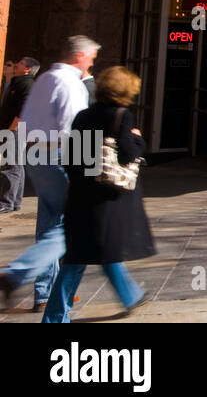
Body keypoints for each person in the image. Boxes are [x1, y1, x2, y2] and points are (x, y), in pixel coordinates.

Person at [41, 66, 154, 323]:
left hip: (81, 196)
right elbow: (128, 152)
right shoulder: (122, 116)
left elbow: (71, 157)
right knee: (102, 252)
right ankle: (128, 296)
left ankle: (55, 318)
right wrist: (138, 139)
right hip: (106, 199)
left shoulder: (82, 116)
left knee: (77, 258)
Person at [0, 36, 99, 311]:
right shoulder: (71, 83)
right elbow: (72, 128)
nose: (91, 62)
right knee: (72, 225)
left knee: (48, 224)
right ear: (79, 56)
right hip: (59, 155)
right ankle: (17, 273)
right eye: (90, 57)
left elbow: (27, 120)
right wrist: (84, 169)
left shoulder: (44, 79)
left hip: (36, 154)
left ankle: (43, 293)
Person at [0, 56, 39, 213]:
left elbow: (22, 111)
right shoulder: (19, 82)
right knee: (17, 164)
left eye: (21, 63)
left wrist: (11, 129)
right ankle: (15, 202)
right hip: (13, 129)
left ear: (27, 69)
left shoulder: (27, 84)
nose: (16, 64)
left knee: (11, 165)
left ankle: (6, 202)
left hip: (15, 130)